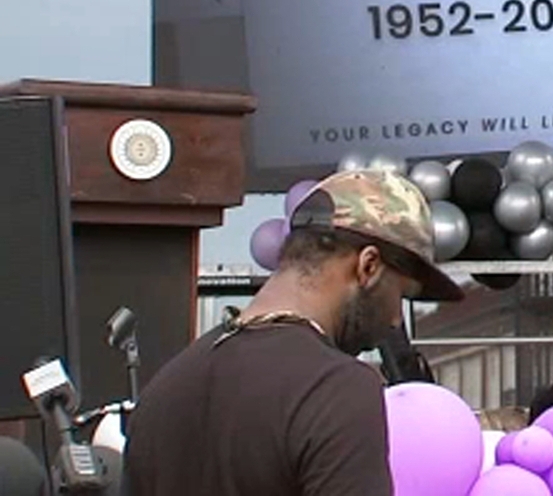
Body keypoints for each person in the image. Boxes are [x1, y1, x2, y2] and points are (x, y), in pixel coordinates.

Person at [122, 170, 464, 496]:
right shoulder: (335, 388)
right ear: (368, 266)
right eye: (401, 295)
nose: (394, 319)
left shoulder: (165, 389)